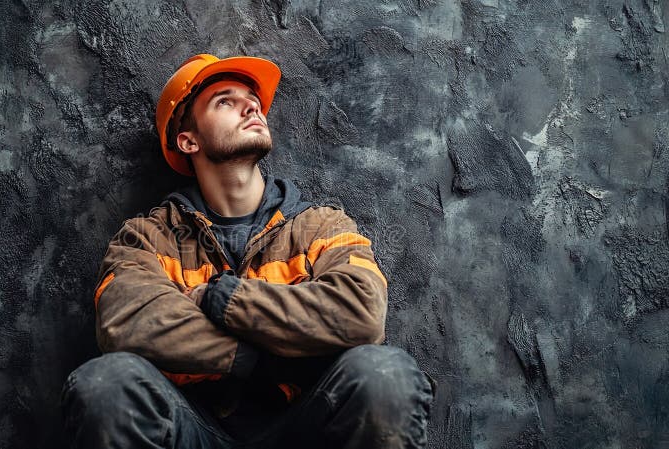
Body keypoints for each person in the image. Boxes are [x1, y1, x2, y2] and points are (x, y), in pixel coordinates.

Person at [61, 54, 435, 449]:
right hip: (193, 430)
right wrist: (265, 359)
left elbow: (361, 314)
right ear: (188, 140)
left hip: (306, 429)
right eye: (225, 101)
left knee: (383, 375)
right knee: (106, 385)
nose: (251, 105)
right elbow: (127, 322)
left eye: (251, 99)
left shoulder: (323, 226)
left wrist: (219, 299)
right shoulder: (147, 238)